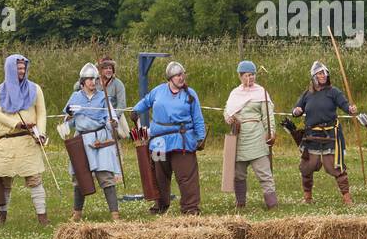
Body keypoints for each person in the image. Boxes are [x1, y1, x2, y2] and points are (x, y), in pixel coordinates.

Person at [131, 61, 206, 215]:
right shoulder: (158, 91)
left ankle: (190, 208)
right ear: (170, 78)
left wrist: (200, 137)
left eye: (182, 74)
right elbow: (145, 102)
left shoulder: (190, 94)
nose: (181, 77)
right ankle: (160, 205)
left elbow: (198, 117)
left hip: (181, 140)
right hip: (159, 141)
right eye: (178, 75)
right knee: (159, 176)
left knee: (186, 176)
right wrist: (136, 110)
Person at [0, 54, 51, 226]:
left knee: (34, 179)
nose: (22, 71)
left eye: (24, 68)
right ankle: (1, 214)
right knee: (4, 181)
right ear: (10, 69)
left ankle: (42, 216)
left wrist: (41, 133)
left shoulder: (35, 89)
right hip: (6, 141)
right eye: (18, 68)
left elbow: (41, 113)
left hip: (27, 141)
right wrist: (16, 123)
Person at [63, 62, 122, 221]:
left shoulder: (103, 97)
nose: (92, 81)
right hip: (81, 139)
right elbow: (67, 122)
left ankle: (115, 215)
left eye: (95, 78)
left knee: (106, 176)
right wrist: (69, 115)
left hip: (99, 139)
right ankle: (77, 213)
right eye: (89, 79)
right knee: (79, 176)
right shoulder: (75, 97)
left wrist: (113, 123)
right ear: (82, 81)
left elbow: (111, 118)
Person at [293, 61, 357, 205]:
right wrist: (296, 111)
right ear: (314, 76)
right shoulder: (307, 94)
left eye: (325, 73)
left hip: (330, 136)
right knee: (307, 167)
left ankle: (347, 198)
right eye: (320, 73)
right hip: (311, 136)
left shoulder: (333, 92)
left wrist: (350, 109)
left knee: (335, 166)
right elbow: (296, 108)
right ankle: (307, 197)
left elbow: (344, 105)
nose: (324, 75)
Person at [223, 60, 277, 209]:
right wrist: (228, 117)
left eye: (253, 75)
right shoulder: (235, 93)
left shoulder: (261, 92)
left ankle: (272, 204)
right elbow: (227, 110)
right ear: (240, 76)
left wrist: (271, 132)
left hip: (256, 136)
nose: (250, 78)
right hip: (239, 137)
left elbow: (268, 115)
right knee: (238, 174)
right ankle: (240, 203)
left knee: (264, 173)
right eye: (247, 75)